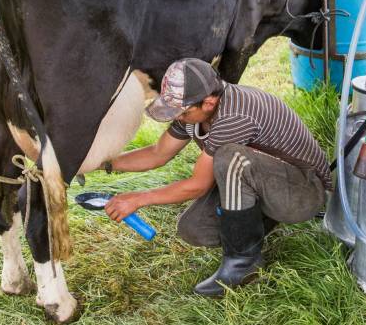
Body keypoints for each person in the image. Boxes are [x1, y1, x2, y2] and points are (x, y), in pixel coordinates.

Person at [103, 58, 330, 296]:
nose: (177, 117)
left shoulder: (234, 115)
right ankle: (255, 227)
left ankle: (244, 263)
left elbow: (198, 185)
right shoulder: (194, 113)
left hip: (303, 192)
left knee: (230, 157)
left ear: (209, 102)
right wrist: (102, 163)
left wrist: (137, 199)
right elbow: (158, 154)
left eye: (182, 111)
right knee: (195, 228)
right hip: (268, 183)